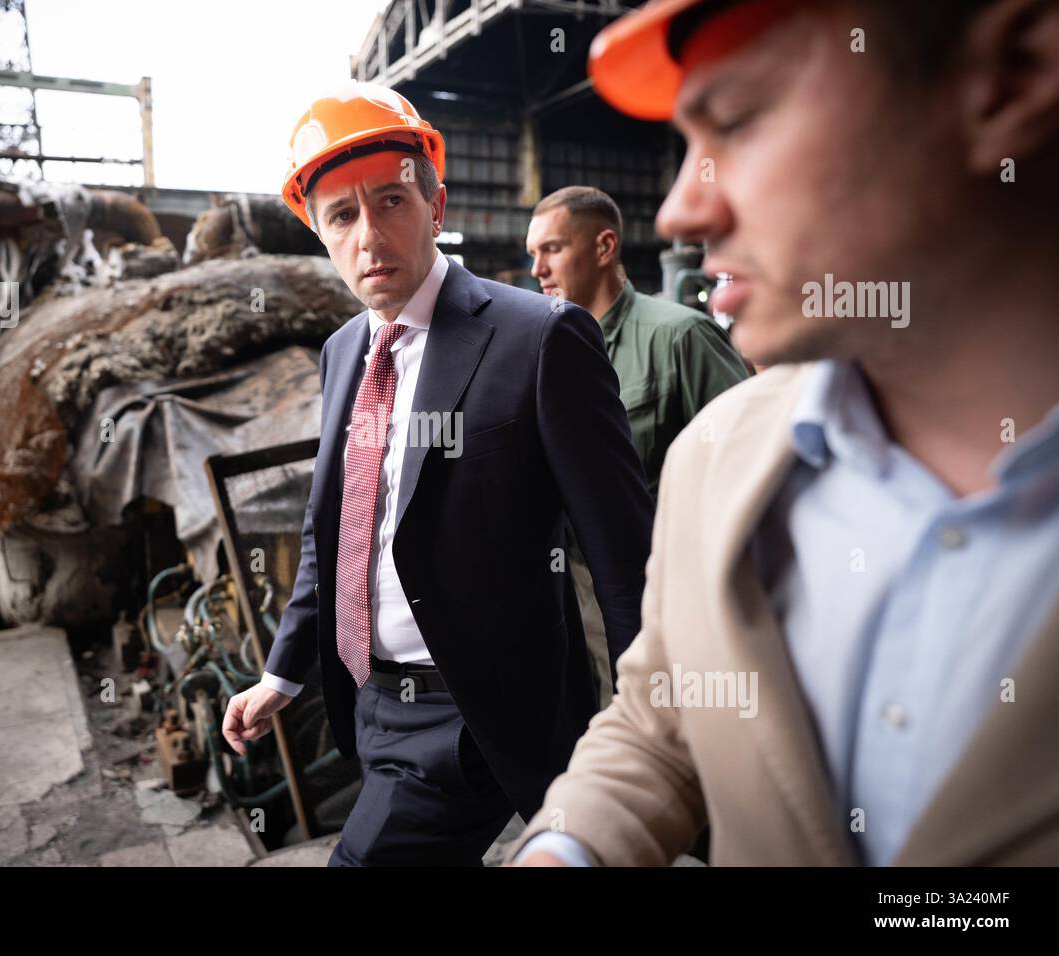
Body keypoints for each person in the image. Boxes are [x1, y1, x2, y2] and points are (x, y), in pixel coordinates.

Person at [510, 0, 1059, 865]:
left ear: (1013, 77)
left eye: (735, 123)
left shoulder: (682, 346)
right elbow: (661, 723)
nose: (681, 215)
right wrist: (567, 849)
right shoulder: (718, 461)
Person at [220, 83, 654, 866]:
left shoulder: (540, 338)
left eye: (390, 200)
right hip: (374, 699)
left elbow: (624, 557)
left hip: (477, 709)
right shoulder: (346, 351)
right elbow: (339, 526)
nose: (369, 236)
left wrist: (656, 723)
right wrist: (281, 674)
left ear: (436, 204)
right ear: (319, 234)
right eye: (342, 216)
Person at [528, 185, 749, 708]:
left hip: (673, 599)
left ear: (605, 248)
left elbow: (749, 468)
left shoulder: (679, 338)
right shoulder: (540, 353)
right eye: (533, 253)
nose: (537, 268)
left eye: (553, 249)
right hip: (580, 600)